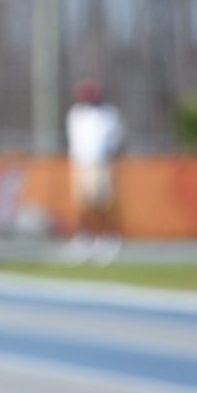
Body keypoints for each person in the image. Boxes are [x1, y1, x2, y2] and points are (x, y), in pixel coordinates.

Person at [66, 78, 123, 264]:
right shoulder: (75, 114)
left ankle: (107, 239)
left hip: (101, 163)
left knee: (103, 204)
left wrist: (108, 156)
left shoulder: (108, 114)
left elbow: (116, 138)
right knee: (84, 204)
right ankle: (85, 239)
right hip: (81, 163)